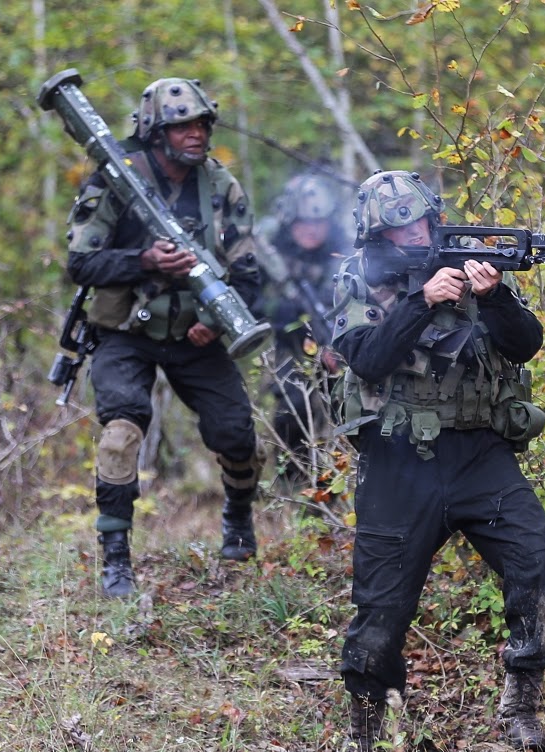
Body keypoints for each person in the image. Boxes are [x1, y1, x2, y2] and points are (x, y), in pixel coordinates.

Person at [328, 170, 545, 752]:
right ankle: (369, 729)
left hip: (478, 452)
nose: (414, 235)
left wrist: (494, 297)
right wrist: (421, 299)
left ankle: (521, 703)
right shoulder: (358, 278)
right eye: (399, 227)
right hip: (397, 459)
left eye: (421, 222)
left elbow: (525, 344)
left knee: (533, 560)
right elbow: (367, 358)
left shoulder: (469, 268)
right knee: (381, 605)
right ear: (377, 234)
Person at [64, 77, 265, 598]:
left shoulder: (221, 186)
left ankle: (238, 520)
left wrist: (215, 322)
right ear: (156, 132)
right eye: (183, 126)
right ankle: (115, 561)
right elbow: (80, 263)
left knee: (236, 435)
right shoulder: (114, 181)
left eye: (201, 124)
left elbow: (248, 273)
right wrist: (143, 260)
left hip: (195, 334)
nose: (196, 134)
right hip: (124, 331)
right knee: (120, 434)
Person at [255, 173, 349, 483]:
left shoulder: (341, 247)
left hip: (335, 340)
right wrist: (275, 312)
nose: (312, 231)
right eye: (304, 223)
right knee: (292, 408)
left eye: (318, 223)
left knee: (342, 408)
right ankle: (293, 485)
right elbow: (245, 294)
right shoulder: (266, 243)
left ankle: (335, 489)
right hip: (287, 343)